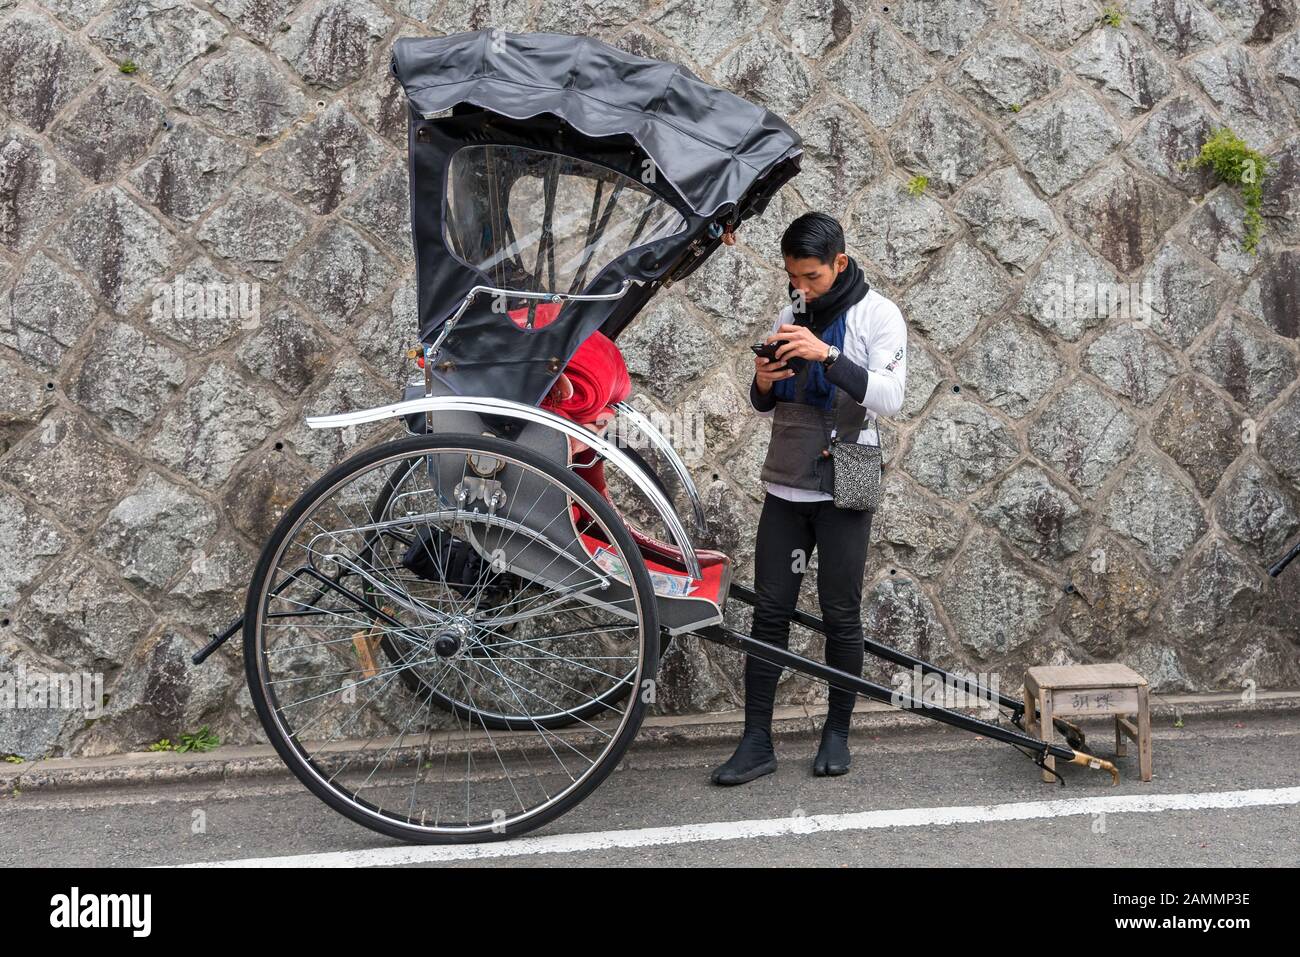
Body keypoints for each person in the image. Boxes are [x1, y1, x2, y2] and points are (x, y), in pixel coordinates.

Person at [711, 211, 907, 784]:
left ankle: (837, 732)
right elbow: (762, 403)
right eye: (792, 277)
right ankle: (756, 742)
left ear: (839, 263)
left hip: (848, 475)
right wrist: (765, 380)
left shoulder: (879, 315)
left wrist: (826, 355)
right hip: (787, 478)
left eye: (811, 277)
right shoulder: (790, 313)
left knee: (840, 612)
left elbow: (891, 397)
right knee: (770, 611)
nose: (800, 288)